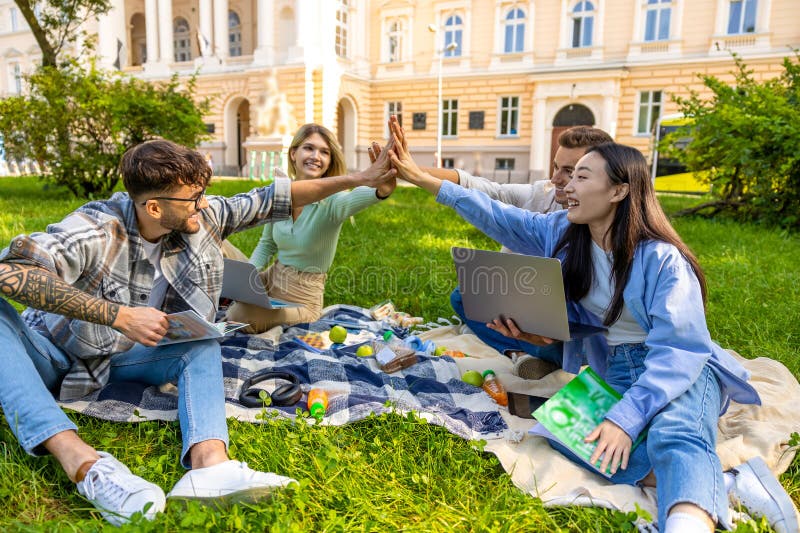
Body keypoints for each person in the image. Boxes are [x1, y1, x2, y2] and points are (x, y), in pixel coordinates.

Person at [386, 116, 797, 533]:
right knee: (561, 433)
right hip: (616, 368)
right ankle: (732, 483)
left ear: (619, 191)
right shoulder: (564, 233)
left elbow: (681, 352)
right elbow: (497, 214)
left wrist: (624, 419)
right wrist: (420, 177)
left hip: (678, 368)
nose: (566, 186)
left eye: (581, 176)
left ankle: (685, 521)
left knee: (675, 435)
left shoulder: (662, 259)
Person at [0, 138, 395, 525]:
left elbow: (276, 198)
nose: (203, 204)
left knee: (202, 339)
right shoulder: (97, 230)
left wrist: (361, 177)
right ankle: (85, 464)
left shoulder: (200, 217)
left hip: (114, 359)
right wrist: (118, 314)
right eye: (193, 198)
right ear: (154, 206)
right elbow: (10, 272)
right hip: (51, 354)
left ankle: (211, 467)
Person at [423, 126, 612, 380]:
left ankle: (539, 353)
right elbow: (482, 193)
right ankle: (519, 351)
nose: (556, 178)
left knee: (576, 341)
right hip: (522, 300)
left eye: (571, 172)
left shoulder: (606, 232)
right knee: (465, 295)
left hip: (570, 323)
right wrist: (413, 173)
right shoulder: (544, 201)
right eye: (556, 167)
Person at [225, 124, 396, 333]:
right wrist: (246, 281)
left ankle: (240, 305)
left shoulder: (333, 201)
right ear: (294, 153)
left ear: (329, 162)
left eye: (324, 152)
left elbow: (358, 197)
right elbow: (267, 244)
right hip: (271, 280)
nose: (316, 156)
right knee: (219, 244)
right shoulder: (281, 193)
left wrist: (381, 191)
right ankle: (236, 298)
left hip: (303, 301)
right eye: (309, 148)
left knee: (238, 317)